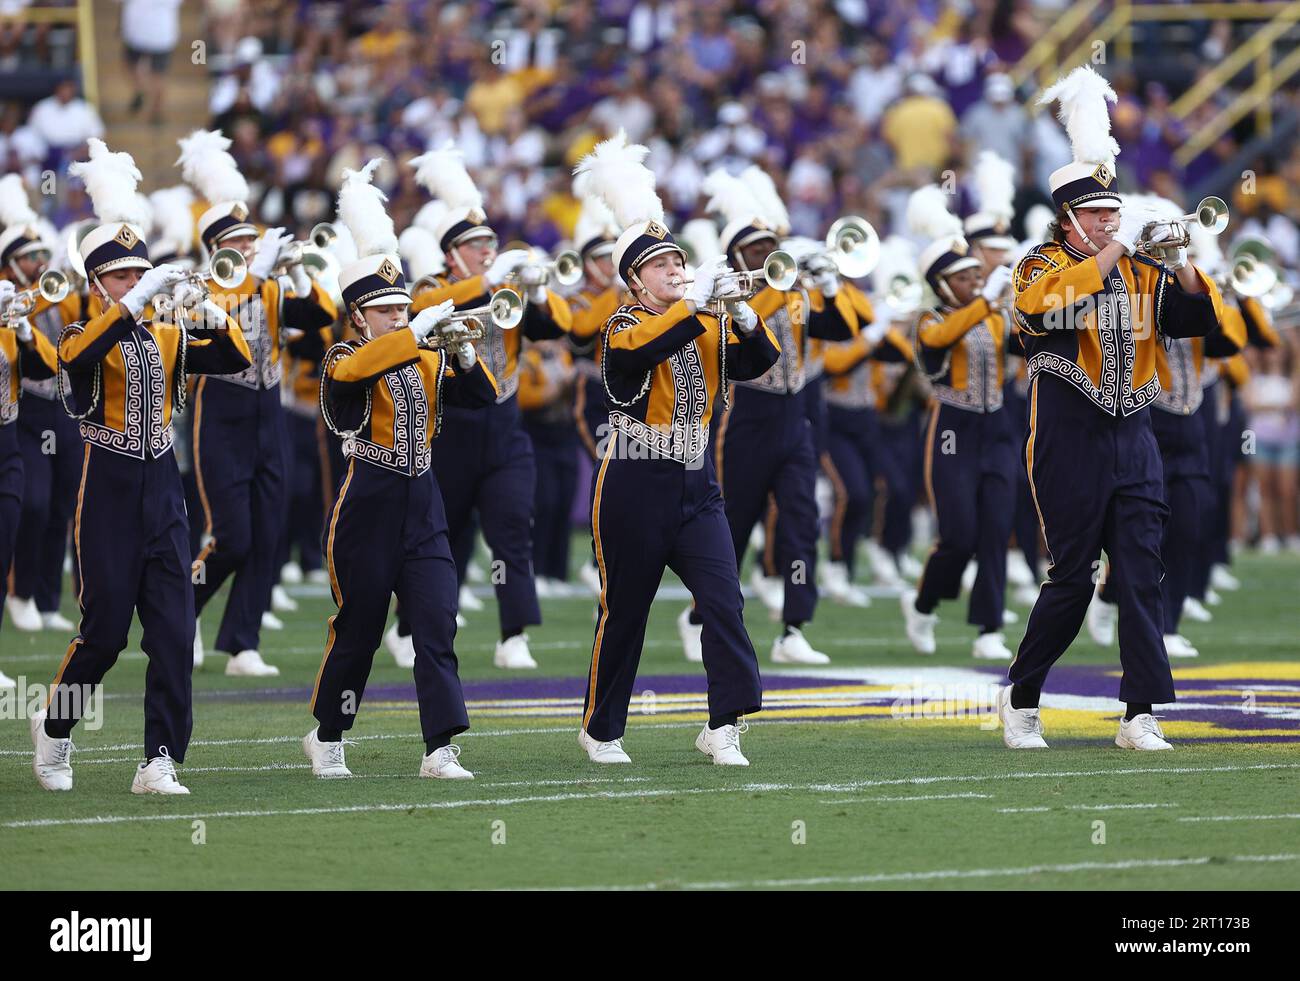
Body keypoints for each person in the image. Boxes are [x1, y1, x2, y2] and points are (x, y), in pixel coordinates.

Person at [1000, 67, 1224, 752]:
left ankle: (1139, 712)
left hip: (1136, 434)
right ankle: (1022, 694)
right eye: (1097, 214)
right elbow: (1042, 308)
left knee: (1140, 571)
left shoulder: (1140, 266)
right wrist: (1121, 248)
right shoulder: (1037, 263)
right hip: (1068, 434)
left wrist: (1183, 258)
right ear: (1068, 217)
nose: (1110, 221)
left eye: (1114, 212)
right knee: (1072, 576)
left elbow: (1199, 321)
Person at [33, 139, 251, 794]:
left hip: (163, 487)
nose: (136, 282)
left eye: (140, 272)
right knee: (102, 634)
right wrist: (132, 304)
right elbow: (74, 362)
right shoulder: (82, 331)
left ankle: (159, 757)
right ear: (99, 283)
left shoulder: (164, 332)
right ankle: (56, 726)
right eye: (123, 276)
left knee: (173, 629)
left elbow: (235, 355)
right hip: (107, 485)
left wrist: (211, 310)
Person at [571, 130, 780, 765]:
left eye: (678, 263)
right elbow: (642, 351)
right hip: (634, 484)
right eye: (662, 266)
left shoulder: (701, 318)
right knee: (626, 613)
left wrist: (742, 313)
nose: (677, 271)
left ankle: (725, 723)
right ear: (635, 279)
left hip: (696, 483)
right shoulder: (623, 324)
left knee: (724, 600)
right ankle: (602, 729)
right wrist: (696, 305)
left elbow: (761, 362)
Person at [305, 161, 497, 779]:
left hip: (423, 499)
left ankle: (439, 746)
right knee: (359, 628)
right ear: (360, 316)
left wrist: (464, 353)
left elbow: (485, 397)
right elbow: (352, 380)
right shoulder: (343, 355)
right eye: (385, 311)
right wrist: (412, 332)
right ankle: (329, 733)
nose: (395, 317)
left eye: (400, 308)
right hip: (368, 502)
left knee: (436, 623)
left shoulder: (423, 356)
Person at [405, 144, 573, 670]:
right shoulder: (434, 287)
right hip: (450, 428)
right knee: (440, 536)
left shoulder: (509, 287)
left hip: (504, 429)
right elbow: (420, 313)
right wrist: (482, 281)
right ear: (452, 253)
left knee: (510, 532)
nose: (484, 252)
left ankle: (513, 633)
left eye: (488, 244)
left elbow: (559, 327)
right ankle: (413, 625)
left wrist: (538, 292)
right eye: (474, 245)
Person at [177, 129, 336, 677]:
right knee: (232, 536)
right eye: (238, 245)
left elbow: (318, 315)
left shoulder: (267, 285)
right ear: (216, 248)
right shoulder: (199, 286)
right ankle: (184, 610)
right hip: (220, 415)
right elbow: (217, 314)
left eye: (251, 242)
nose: (248, 250)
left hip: (267, 413)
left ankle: (242, 642)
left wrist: (293, 269)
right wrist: (261, 270)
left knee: (269, 532)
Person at [698, 167, 854, 666]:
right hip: (744, 417)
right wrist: (778, 280)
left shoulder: (792, 290)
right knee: (735, 524)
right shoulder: (725, 292)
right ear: (737, 255)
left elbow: (843, 328)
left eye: (770, 245)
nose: (766, 254)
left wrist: (829, 285)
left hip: (794, 417)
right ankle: (701, 615)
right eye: (756, 248)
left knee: (800, 522)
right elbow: (747, 320)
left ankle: (793, 627)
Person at [898, 185, 1018, 662]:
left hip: (998, 426)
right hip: (952, 429)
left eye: (975, 274)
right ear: (943, 284)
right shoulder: (928, 318)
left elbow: (1028, 345)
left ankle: (989, 626)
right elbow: (940, 342)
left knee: (996, 527)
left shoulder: (991, 313)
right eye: (963, 277)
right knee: (959, 534)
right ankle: (924, 602)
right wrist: (986, 302)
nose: (974, 281)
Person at [0, 175, 81, 633]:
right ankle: (20, 590)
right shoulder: (8, 296)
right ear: (12, 263)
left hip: (63, 406)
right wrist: (36, 295)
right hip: (26, 409)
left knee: (61, 505)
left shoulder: (54, 293)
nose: (39, 262)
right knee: (32, 502)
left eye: (41, 255)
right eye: (30, 256)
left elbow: (76, 321)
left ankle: (48, 599)